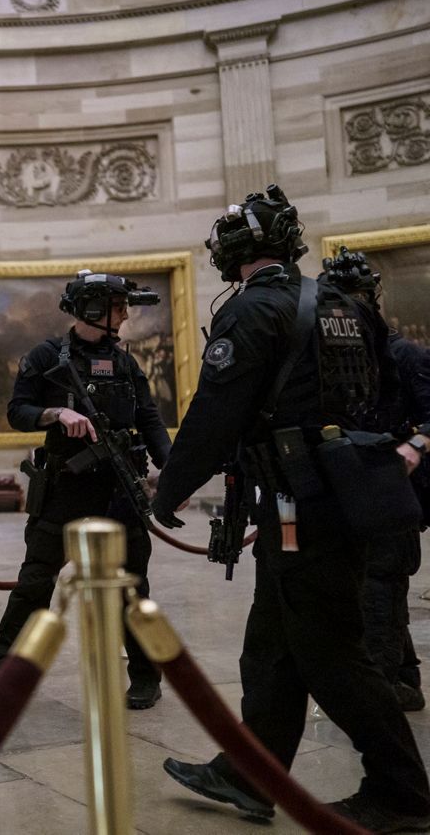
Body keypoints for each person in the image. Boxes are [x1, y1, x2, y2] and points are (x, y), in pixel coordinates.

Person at [151, 186, 430, 832]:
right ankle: (249, 775)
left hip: (301, 503)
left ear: (239, 247)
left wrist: (169, 491)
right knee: (272, 649)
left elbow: (214, 414)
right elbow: (386, 397)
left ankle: (403, 793)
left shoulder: (253, 310)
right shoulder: (342, 302)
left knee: (332, 654)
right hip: (341, 496)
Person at [0, 270, 171, 710]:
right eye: (118, 307)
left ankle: (144, 678)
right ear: (93, 310)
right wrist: (55, 413)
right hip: (66, 488)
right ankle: (5, 671)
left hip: (119, 489)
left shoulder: (124, 362)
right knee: (35, 581)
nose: (125, 314)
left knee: (132, 587)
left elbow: (151, 419)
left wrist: (171, 472)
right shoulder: (45, 357)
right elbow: (17, 411)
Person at [320, 247, 429, 713]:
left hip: (395, 490)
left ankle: (381, 693)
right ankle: (404, 681)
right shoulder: (340, 360)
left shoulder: (405, 355)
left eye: (357, 297)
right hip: (360, 489)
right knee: (377, 584)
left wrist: (416, 444)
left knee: (381, 588)